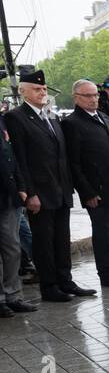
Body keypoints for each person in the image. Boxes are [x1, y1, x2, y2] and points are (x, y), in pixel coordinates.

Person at [4, 68, 96, 302]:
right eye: (36, 89)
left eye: (44, 89)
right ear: (23, 91)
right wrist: (30, 193)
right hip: (40, 193)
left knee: (61, 240)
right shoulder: (17, 117)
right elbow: (21, 159)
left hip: (61, 190)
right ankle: (50, 286)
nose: (41, 92)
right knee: (44, 243)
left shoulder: (52, 116)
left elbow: (62, 154)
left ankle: (66, 280)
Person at [62, 79, 109, 288]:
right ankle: (105, 272)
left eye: (96, 95)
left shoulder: (104, 117)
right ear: (77, 97)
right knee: (103, 233)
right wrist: (87, 192)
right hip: (97, 190)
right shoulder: (72, 123)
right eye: (88, 95)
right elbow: (74, 163)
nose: (94, 99)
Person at [0, 113, 38, 317]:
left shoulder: (2, 121)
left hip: (8, 197)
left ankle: (13, 295)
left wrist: (21, 186)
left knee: (12, 247)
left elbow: (11, 156)